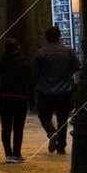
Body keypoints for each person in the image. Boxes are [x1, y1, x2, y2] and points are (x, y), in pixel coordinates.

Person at [31, 25, 79, 154]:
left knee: (43, 115)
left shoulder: (41, 53)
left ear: (46, 38)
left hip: (45, 91)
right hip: (64, 91)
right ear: (59, 37)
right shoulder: (68, 52)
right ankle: (61, 146)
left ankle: (51, 132)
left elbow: (35, 73)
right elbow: (76, 67)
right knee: (62, 119)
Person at [0, 37, 32, 163]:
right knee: (18, 127)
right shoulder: (24, 62)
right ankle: (17, 153)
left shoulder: (2, 62)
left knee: (6, 127)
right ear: (18, 47)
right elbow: (30, 81)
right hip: (20, 98)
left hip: (5, 97)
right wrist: (32, 99)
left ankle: (8, 154)